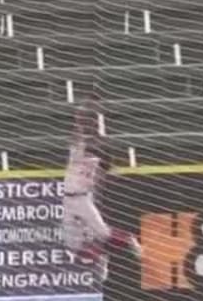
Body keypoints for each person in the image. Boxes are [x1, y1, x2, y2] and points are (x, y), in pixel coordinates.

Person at [61, 99, 143, 283]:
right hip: (68, 200)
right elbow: (77, 139)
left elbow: (104, 163)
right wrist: (79, 120)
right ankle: (102, 257)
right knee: (71, 245)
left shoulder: (99, 165)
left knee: (103, 233)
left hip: (83, 201)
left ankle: (129, 240)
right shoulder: (77, 156)